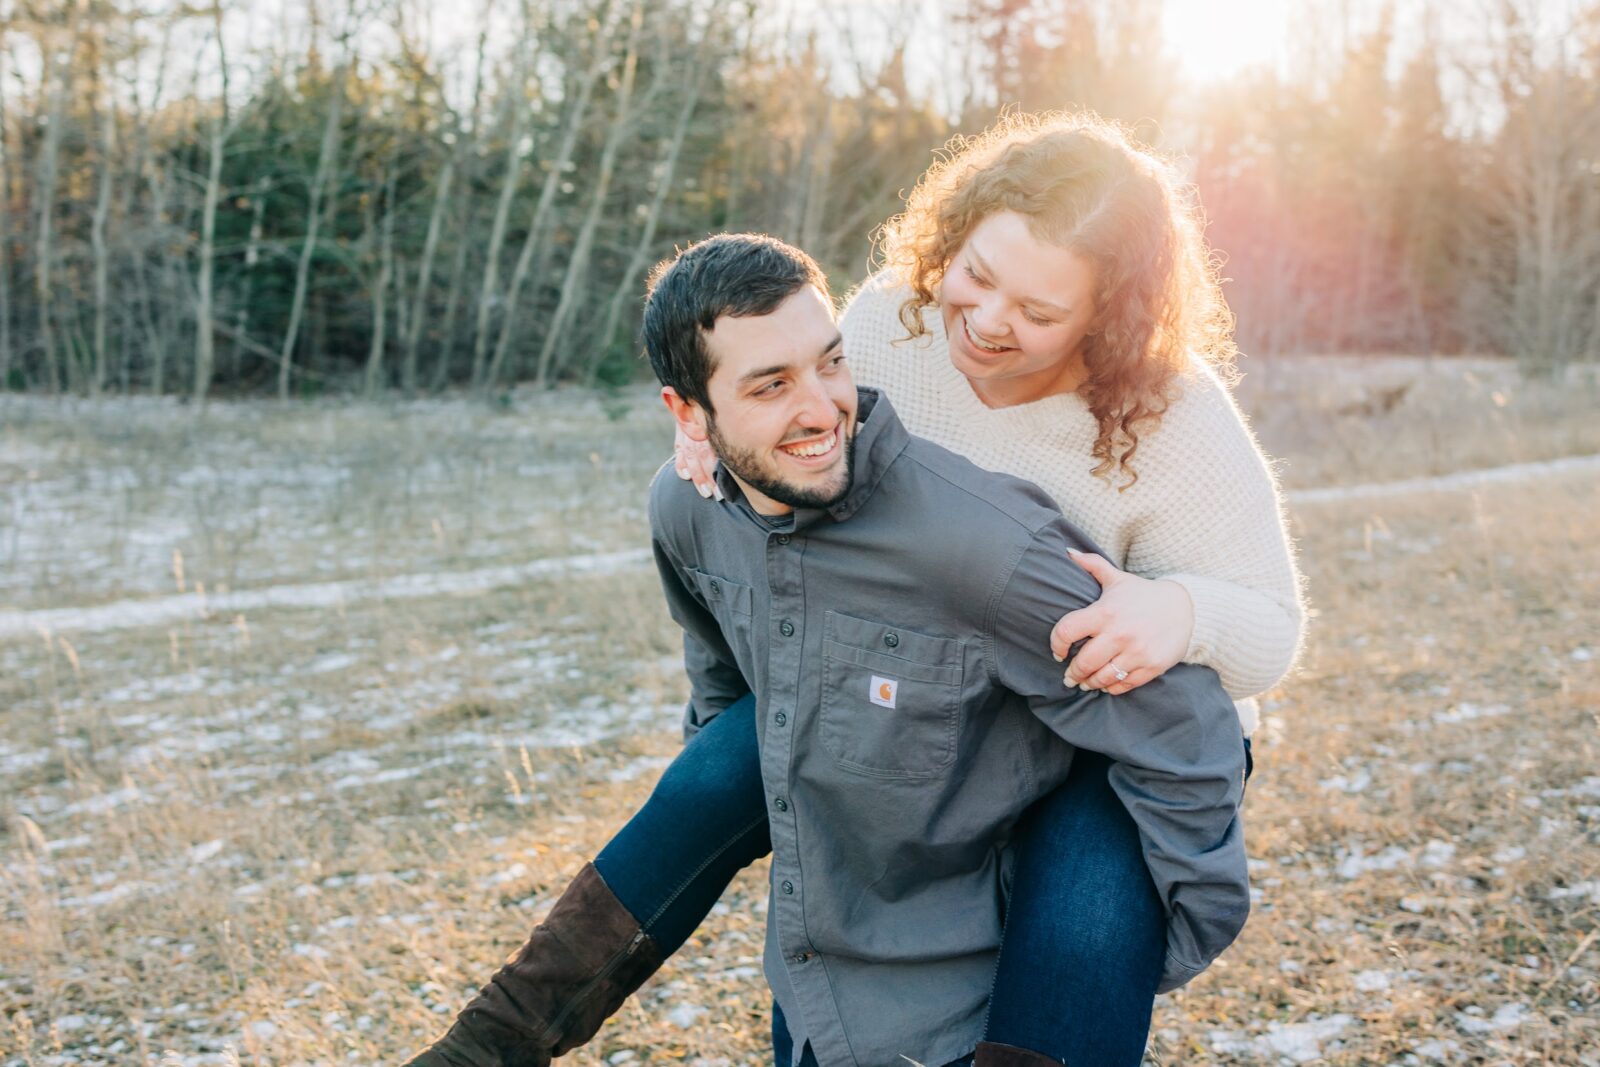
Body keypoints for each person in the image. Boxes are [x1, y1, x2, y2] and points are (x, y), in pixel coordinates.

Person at [406, 111, 1302, 1067]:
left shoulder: (1170, 414)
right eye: (979, 275)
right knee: (714, 773)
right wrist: (712, 429)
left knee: (1080, 919)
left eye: (1039, 313)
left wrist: (1180, 611)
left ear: (1108, 313)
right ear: (950, 239)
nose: (990, 320)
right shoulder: (892, 320)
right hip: (922, 675)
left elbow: (1274, 629)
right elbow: (799, 409)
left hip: (1114, 713)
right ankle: (486, 1048)